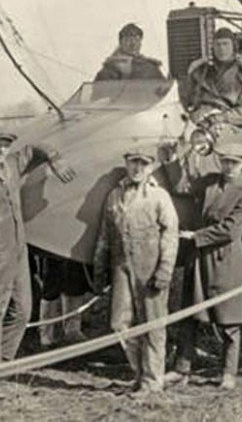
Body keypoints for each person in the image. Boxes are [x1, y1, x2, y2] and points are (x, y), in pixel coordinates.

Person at [0, 127, 76, 399]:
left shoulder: (12, 163)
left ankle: (0, 367)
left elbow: (36, 148)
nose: (1, 150)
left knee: (22, 310)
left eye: (5, 145)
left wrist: (55, 158)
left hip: (17, 248)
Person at [167, 143, 242, 390]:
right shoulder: (209, 182)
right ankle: (181, 369)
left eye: (234, 163)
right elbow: (182, 187)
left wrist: (196, 236)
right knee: (190, 314)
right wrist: (174, 159)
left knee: (229, 318)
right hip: (199, 258)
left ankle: (228, 372)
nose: (228, 167)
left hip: (225, 259)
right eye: (225, 161)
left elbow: (231, 230)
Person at [92, 147, 179, 394]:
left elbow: (171, 234)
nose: (137, 168)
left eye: (143, 163)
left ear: (150, 167)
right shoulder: (114, 195)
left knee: (153, 323)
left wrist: (165, 269)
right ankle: (139, 374)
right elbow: (104, 235)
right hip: (122, 265)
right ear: (126, 163)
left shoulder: (159, 196)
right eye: (133, 162)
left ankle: (152, 381)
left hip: (150, 266)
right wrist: (99, 270)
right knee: (119, 323)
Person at [184, 27, 242, 130]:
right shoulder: (202, 70)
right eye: (218, 45)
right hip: (199, 124)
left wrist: (219, 117)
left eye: (225, 44)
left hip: (230, 127)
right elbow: (187, 99)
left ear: (233, 46)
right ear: (213, 47)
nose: (222, 49)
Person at [35, 254, 90, 347]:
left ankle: (72, 330)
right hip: (53, 250)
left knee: (75, 281)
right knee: (51, 286)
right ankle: (47, 334)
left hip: (75, 251)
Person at [95, 22, 165, 81]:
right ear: (121, 43)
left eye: (136, 39)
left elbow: (163, 88)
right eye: (127, 39)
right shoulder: (110, 69)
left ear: (140, 43)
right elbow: (99, 89)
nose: (133, 43)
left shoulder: (150, 68)